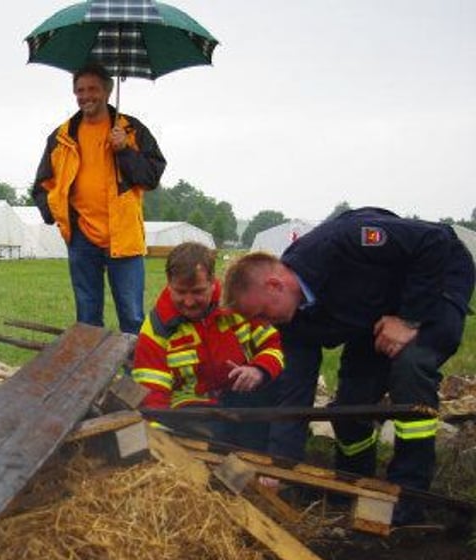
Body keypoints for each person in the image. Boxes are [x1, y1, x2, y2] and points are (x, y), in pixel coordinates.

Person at [224, 207, 475, 521]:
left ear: (275, 285)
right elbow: (294, 396)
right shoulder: (291, 322)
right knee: (352, 401)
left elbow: (433, 241)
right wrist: (280, 466)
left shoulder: (340, 243)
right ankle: (352, 483)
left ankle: (410, 496)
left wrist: (410, 318)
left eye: (261, 313)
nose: (264, 324)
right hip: (376, 311)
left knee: (410, 367)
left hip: (436, 278)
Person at [33, 63, 166, 335]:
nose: (86, 96)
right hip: (81, 238)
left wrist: (125, 150)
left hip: (124, 237)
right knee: (87, 316)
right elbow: (41, 185)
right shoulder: (61, 136)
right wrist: (58, 217)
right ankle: (90, 375)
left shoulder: (131, 130)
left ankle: (135, 375)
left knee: (131, 315)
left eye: (93, 89)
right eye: (80, 90)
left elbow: (152, 176)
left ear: (107, 91)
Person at [132, 242, 283, 450]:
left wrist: (258, 370)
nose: (189, 301)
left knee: (265, 417)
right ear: (168, 284)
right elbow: (151, 394)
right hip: (191, 411)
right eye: (181, 292)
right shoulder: (157, 328)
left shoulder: (239, 304)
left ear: (213, 282)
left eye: (197, 291)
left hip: (242, 397)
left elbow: (274, 345)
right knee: (220, 439)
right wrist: (161, 442)